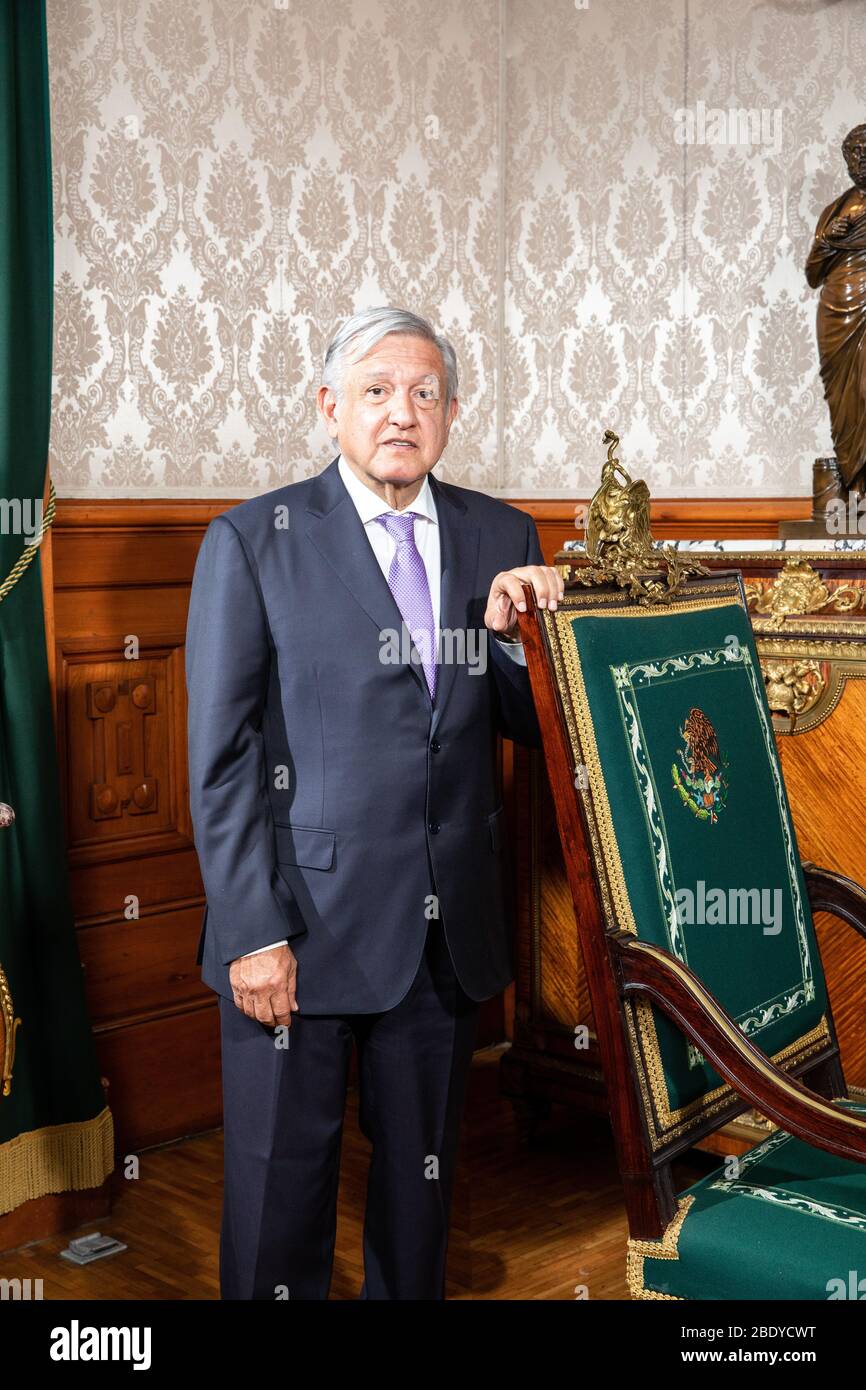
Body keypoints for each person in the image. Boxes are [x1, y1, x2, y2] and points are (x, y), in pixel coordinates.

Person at [185, 305, 563, 1300]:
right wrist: (249, 931)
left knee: (419, 1201)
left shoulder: (500, 534)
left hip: (440, 938)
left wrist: (524, 643)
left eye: (425, 393)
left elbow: (524, 724)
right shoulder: (251, 541)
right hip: (294, 937)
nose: (403, 412)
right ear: (328, 407)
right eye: (377, 391)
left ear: (449, 412)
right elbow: (220, 759)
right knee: (278, 1203)